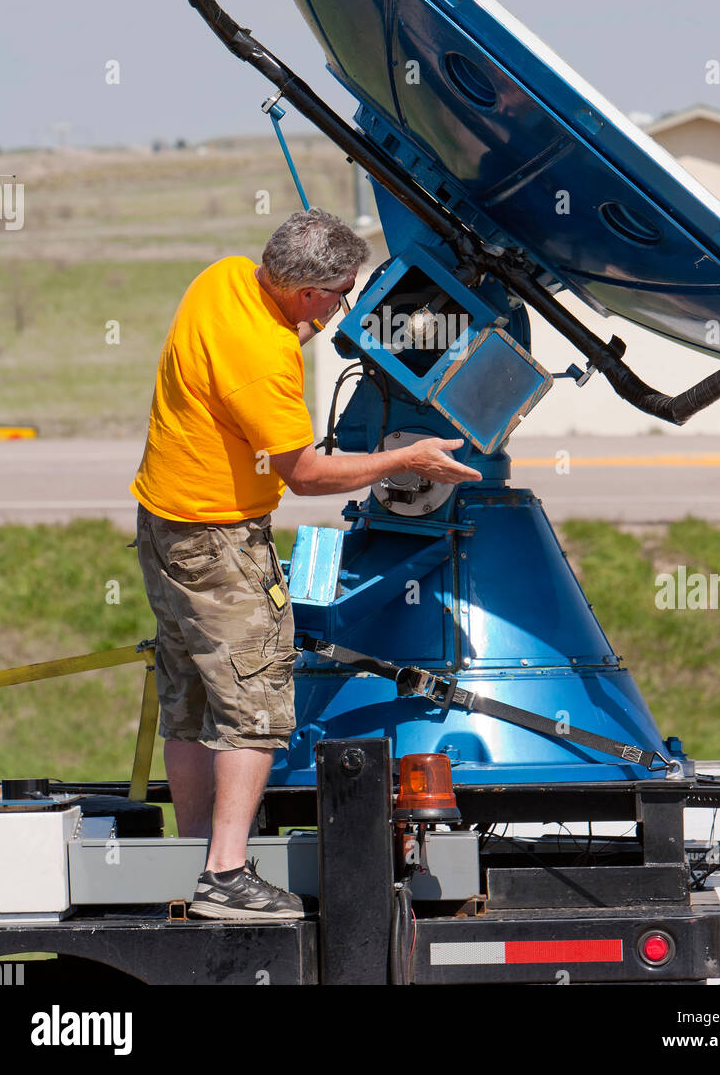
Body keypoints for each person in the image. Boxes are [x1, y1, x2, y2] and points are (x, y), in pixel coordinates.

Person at [131, 207, 479, 921]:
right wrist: (407, 457)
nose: (342, 309)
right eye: (342, 294)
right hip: (219, 540)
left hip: (165, 525)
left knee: (192, 696)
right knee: (256, 705)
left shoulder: (223, 278)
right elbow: (309, 475)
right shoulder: (264, 358)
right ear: (308, 294)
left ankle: (199, 853)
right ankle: (226, 877)